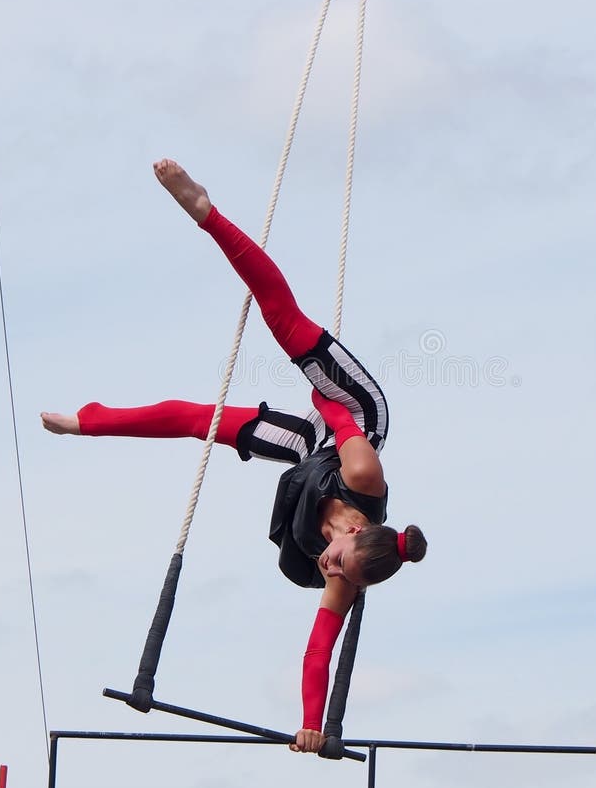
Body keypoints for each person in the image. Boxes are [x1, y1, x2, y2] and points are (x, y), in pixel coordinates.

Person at [41, 159, 427, 755]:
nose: (330, 571)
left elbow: (319, 649)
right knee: (283, 320)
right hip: (351, 419)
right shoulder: (363, 475)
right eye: (339, 562)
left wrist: (311, 722)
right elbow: (334, 412)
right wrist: (314, 379)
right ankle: (206, 212)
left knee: (206, 422)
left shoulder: (345, 576)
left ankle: (87, 422)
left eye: (338, 575)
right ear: (356, 527)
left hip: (308, 460)